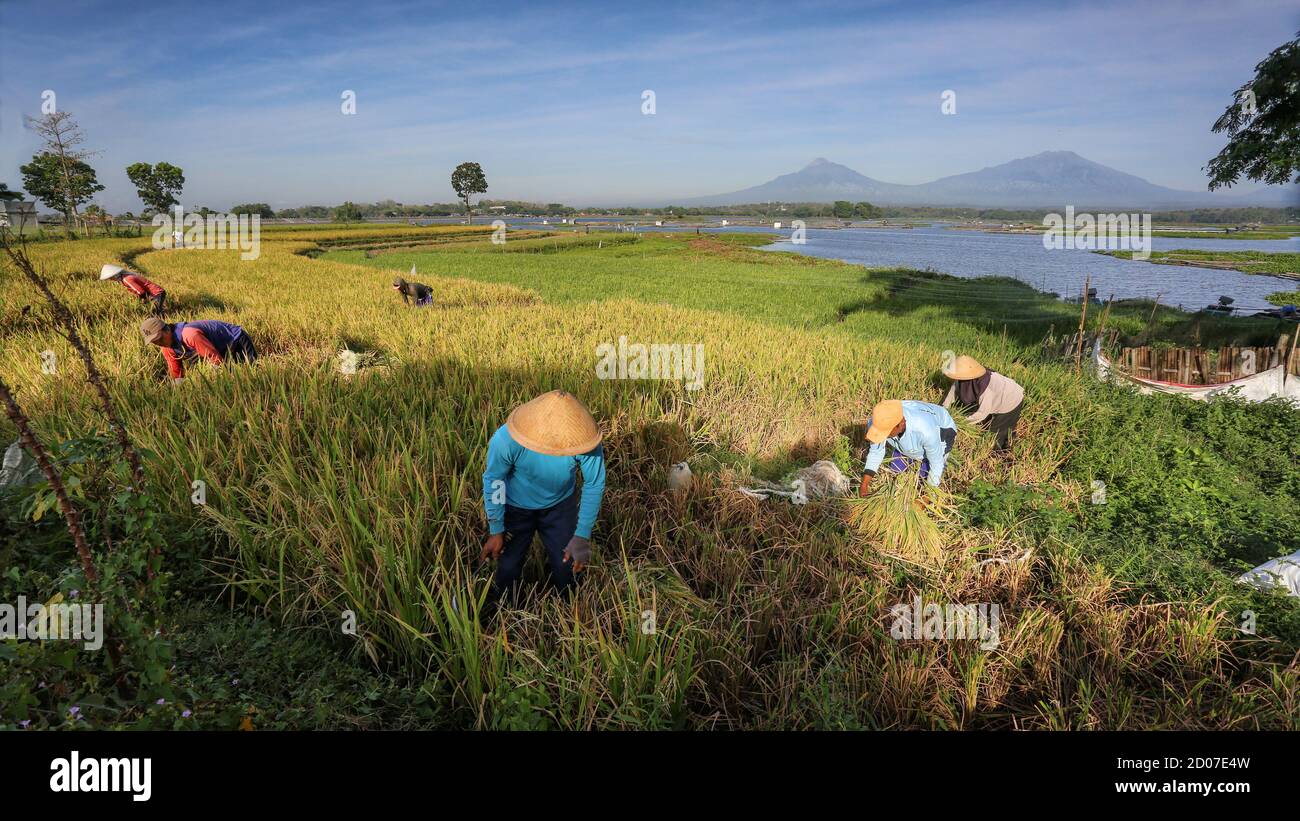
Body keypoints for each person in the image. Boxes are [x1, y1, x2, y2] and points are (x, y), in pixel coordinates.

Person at [480, 390, 607, 603]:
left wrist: (582, 534)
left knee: (567, 564)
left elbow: (594, 483)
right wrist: (497, 529)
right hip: (515, 508)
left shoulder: (584, 442)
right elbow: (496, 480)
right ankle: (503, 610)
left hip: (560, 507)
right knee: (508, 566)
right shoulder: (506, 439)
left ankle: (571, 610)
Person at [859, 399, 956, 497]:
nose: (882, 436)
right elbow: (876, 452)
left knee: (924, 478)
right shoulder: (878, 421)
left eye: (885, 433)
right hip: (912, 428)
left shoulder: (925, 431)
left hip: (942, 429)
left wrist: (927, 497)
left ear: (900, 425)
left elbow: (936, 464)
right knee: (897, 470)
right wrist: (864, 485)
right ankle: (909, 453)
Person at [941, 355, 1024, 451]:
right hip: (1000, 395)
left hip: (1011, 397)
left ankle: (999, 452)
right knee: (996, 425)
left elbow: (982, 413)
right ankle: (1010, 439)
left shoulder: (985, 386)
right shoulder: (962, 378)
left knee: (995, 432)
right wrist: (942, 410)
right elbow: (952, 393)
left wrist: (958, 423)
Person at [140, 317, 257, 383]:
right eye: (154, 342)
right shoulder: (166, 348)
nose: (158, 343)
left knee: (253, 372)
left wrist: (217, 381)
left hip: (235, 339)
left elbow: (215, 359)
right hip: (218, 347)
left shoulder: (190, 335)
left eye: (159, 339)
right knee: (233, 376)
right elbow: (177, 373)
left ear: (167, 330)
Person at [101, 264, 166, 315]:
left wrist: (142, 300)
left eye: (111, 278)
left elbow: (140, 291)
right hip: (155, 293)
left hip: (156, 293)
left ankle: (163, 324)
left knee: (158, 311)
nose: (111, 279)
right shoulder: (126, 276)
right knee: (155, 310)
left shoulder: (126, 279)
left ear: (115, 275)